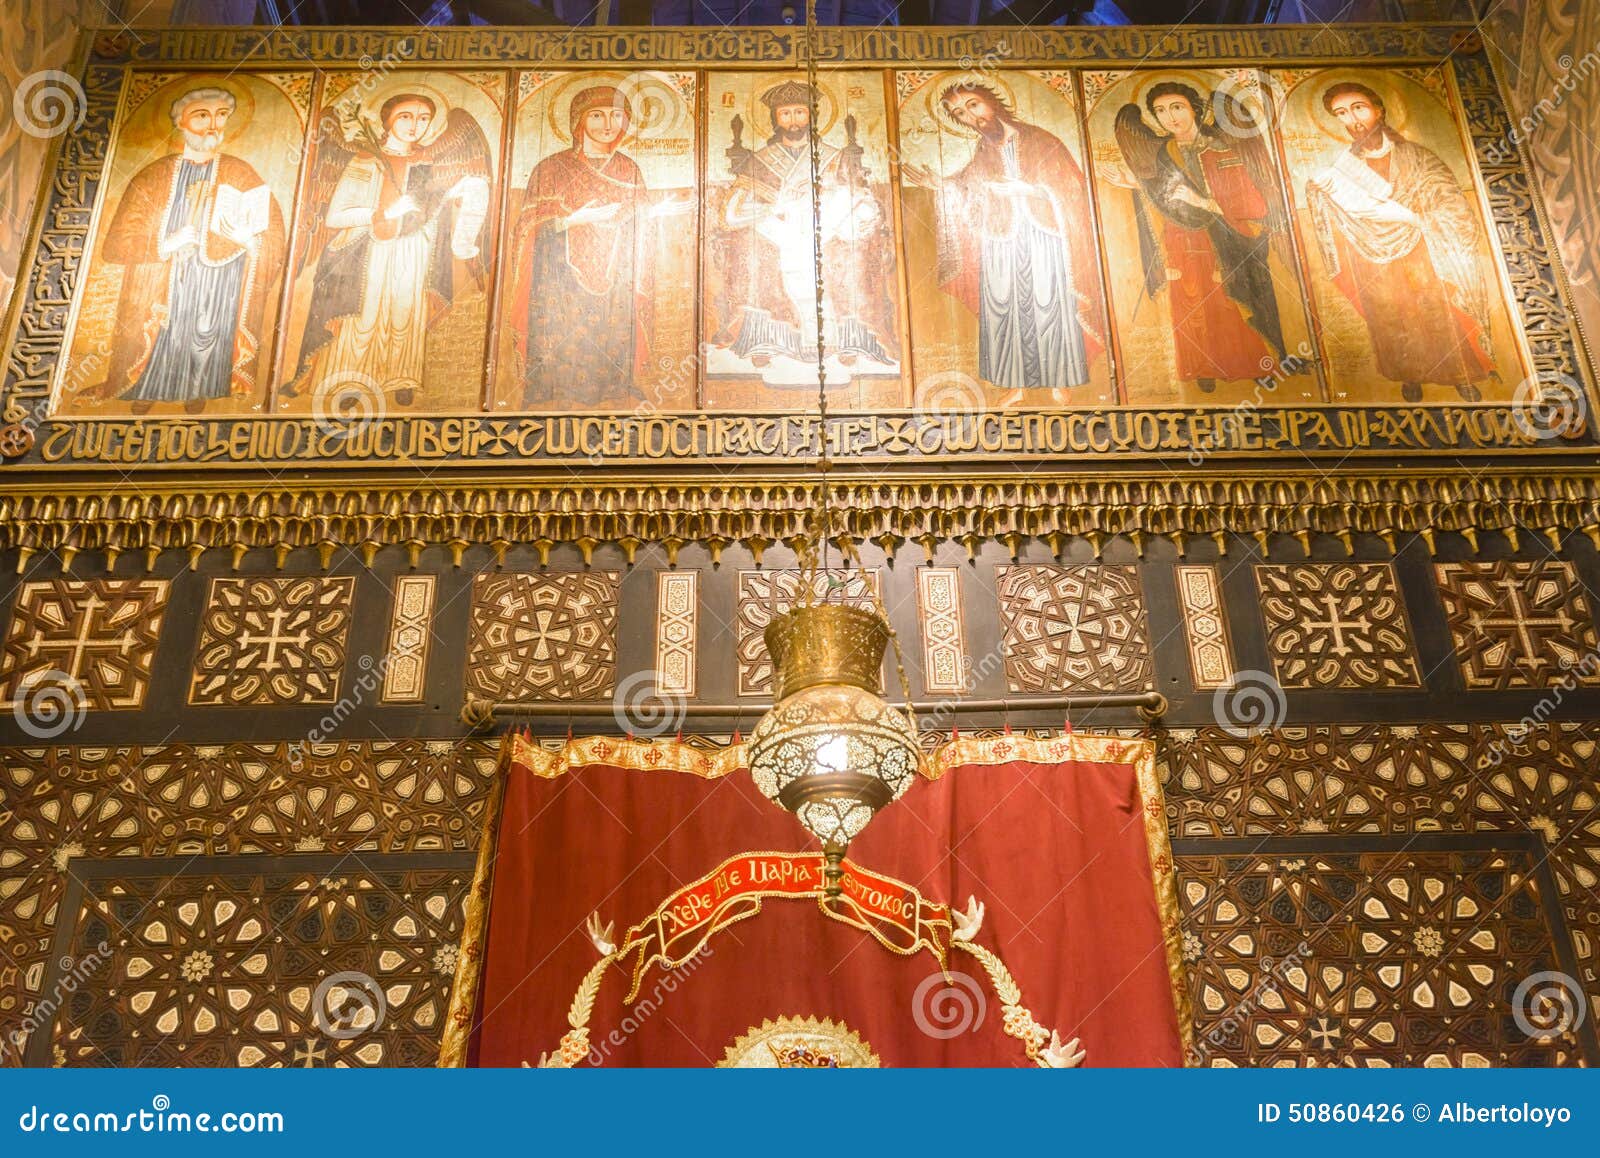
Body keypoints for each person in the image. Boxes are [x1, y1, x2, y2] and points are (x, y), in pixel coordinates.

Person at [903, 79, 1105, 399]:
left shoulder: (1040, 139)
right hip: (1000, 238)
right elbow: (969, 184)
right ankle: (1016, 384)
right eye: (961, 113)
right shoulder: (984, 149)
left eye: (973, 105)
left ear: (991, 102)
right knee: (1005, 308)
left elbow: (1072, 187)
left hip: (1042, 233)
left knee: (1048, 303)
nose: (972, 116)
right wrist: (941, 185)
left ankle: (1060, 378)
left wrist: (1030, 190)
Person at [290, 92, 491, 408]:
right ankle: (349, 380)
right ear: (388, 121)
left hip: (414, 252)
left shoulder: (428, 163)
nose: (415, 126)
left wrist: (468, 194)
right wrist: (384, 213)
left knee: (405, 313)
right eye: (405, 117)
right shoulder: (365, 161)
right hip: (367, 252)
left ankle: (401, 377)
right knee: (365, 317)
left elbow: (437, 203)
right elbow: (334, 217)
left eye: (423, 119)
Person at [98, 86, 285, 415]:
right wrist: (166, 243)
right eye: (201, 116)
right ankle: (146, 386)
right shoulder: (153, 176)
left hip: (220, 282)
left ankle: (202, 388)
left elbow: (272, 234)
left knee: (208, 331)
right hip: (163, 277)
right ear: (180, 122)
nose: (213, 125)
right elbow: (116, 244)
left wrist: (249, 240)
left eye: (221, 116)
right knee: (166, 329)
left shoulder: (241, 173)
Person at [1305, 80, 1495, 402]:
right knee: (1387, 312)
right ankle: (1409, 375)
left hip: (1419, 245)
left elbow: (1451, 202)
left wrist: (1414, 216)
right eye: (1341, 113)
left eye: (1358, 108)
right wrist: (1319, 193)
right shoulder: (1344, 166)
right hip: (1369, 253)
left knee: (1433, 307)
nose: (1352, 120)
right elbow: (1340, 209)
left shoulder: (1417, 157)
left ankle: (1458, 375)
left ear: (1379, 110)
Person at [513, 84, 689, 408]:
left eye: (616, 116)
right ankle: (556, 389)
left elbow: (636, 216)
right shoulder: (550, 168)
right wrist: (571, 220)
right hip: (560, 272)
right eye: (597, 115)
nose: (608, 124)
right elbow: (527, 225)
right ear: (578, 121)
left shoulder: (628, 169)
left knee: (614, 326)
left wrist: (654, 213)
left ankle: (614, 386)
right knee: (565, 329)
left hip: (616, 267)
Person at [1111, 82, 1289, 392]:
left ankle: (1253, 363)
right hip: (1181, 237)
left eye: (1177, 107)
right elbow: (1165, 195)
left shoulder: (1219, 146)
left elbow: (1252, 203)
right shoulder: (1164, 153)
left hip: (1225, 238)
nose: (1170, 117)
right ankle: (1201, 367)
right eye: (1161, 111)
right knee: (1189, 302)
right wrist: (1136, 184)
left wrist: (1204, 202)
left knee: (1225, 301)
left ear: (1194, 108)